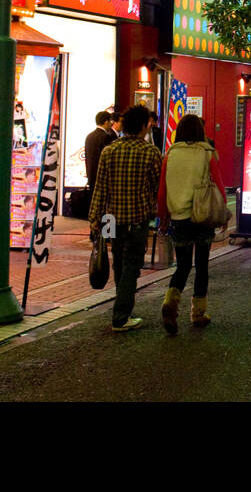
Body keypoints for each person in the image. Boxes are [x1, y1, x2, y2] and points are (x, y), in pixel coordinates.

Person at [89, 104, 162, 332]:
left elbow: (100, 188)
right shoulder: (151, 152)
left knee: (118, 260)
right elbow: (155, 188)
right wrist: (156, 211)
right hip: (136, 218)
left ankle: (123, 307)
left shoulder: (109, 151)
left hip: (110, 219)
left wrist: (94, 218)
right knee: (132, 264)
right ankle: (120, 315)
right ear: (142, 126)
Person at [157, 114, 225, 333]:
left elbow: (162, 190)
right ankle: (198, 313)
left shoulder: (170, 155)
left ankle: (170, 301)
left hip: (178, 218)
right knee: (202, 265)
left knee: (183, 265)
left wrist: (163, 217)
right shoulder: (206, 153)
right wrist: (222, 211)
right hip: (202, 216)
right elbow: (219, 184)